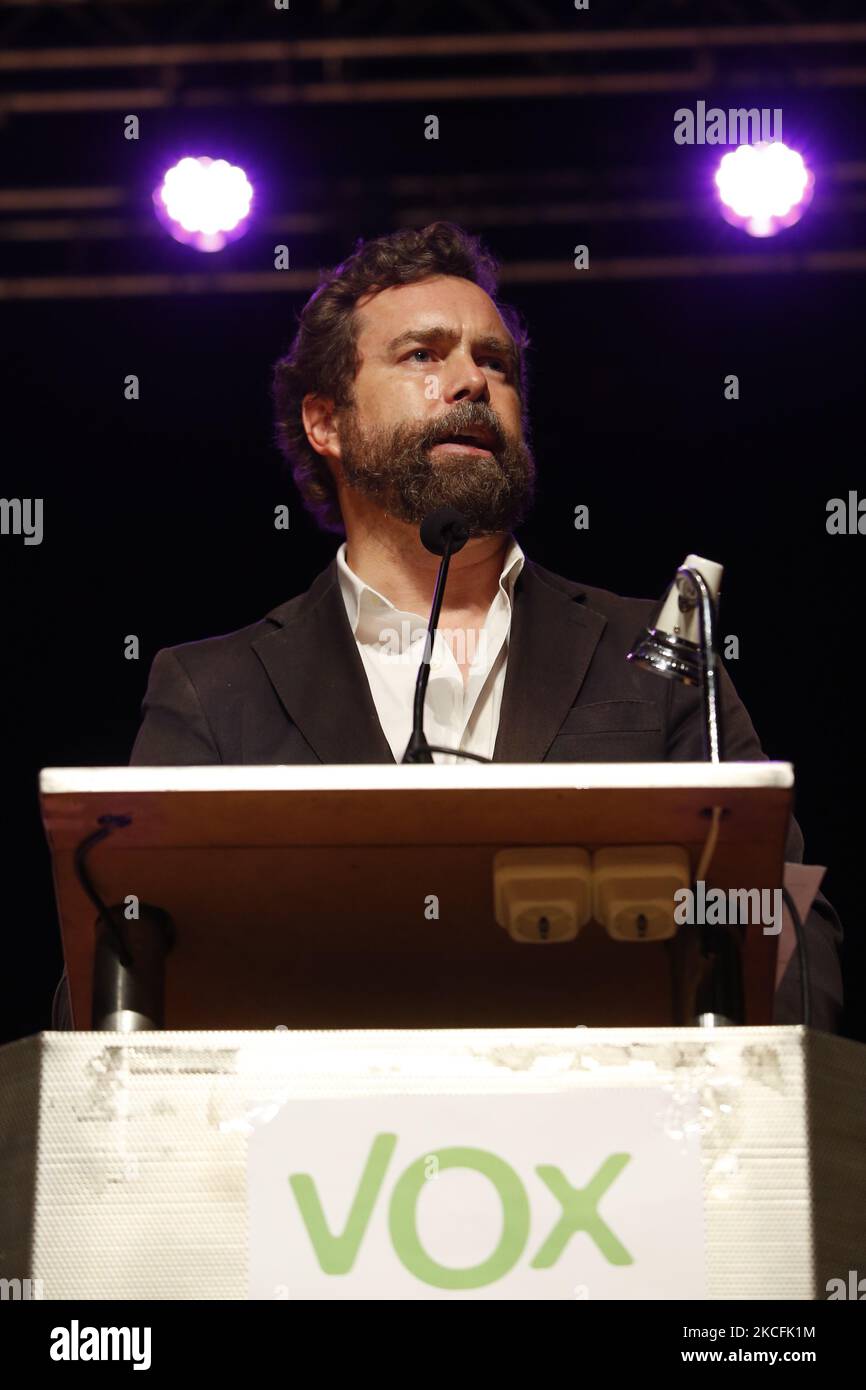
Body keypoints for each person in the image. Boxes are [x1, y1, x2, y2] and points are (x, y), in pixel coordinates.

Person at [51, 222, 842, 1031]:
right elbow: (121, 964)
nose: (470, 380)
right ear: (326, 423)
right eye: (423, 355)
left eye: (494, 362)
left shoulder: (654, 656)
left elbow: (780, 926)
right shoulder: (216, 692)